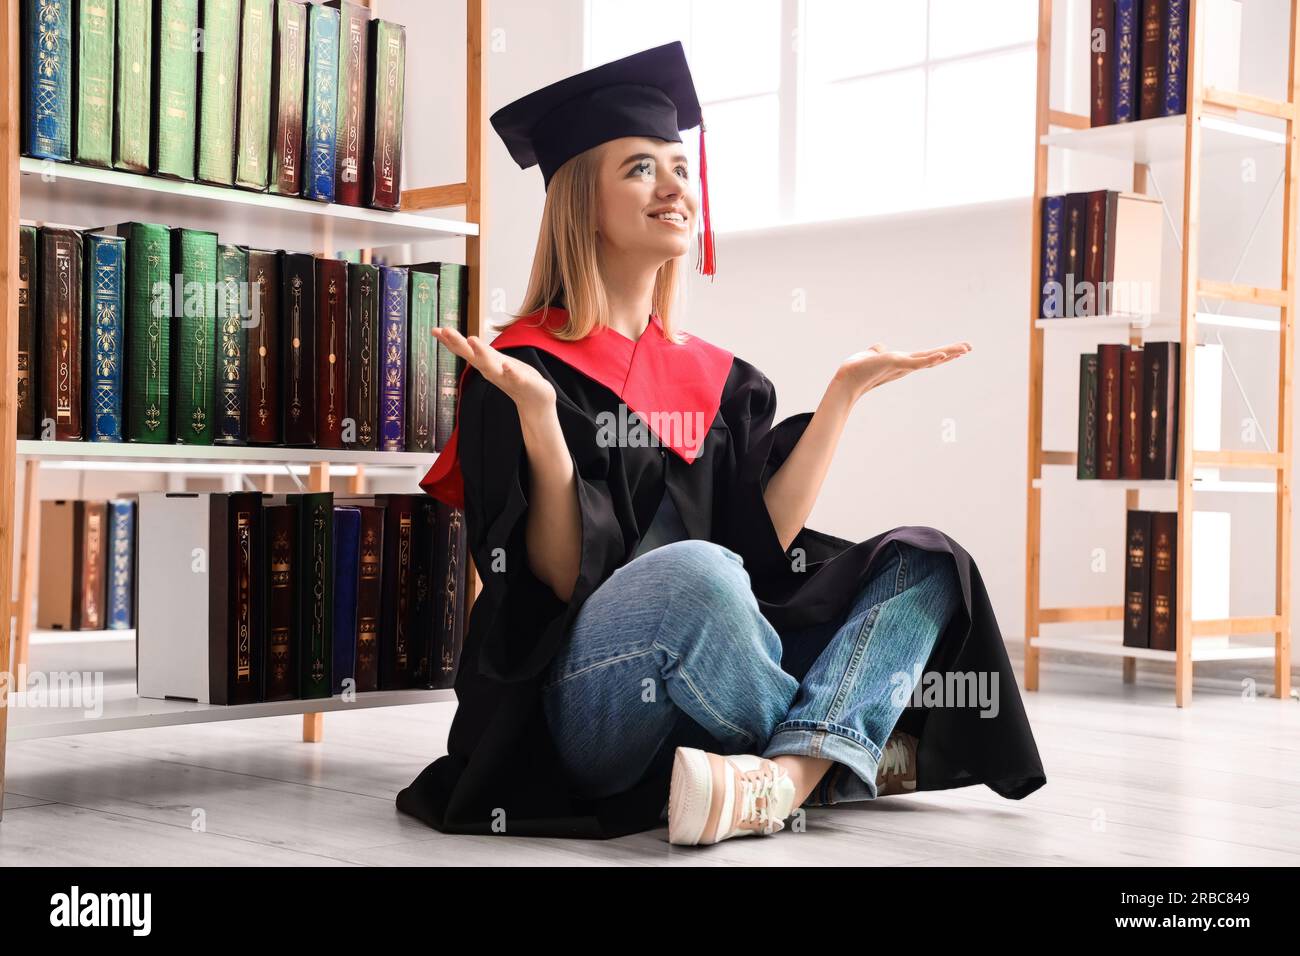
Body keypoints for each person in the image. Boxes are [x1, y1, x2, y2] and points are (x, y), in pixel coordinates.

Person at [398, 41, 1046, 845]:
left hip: (718, 681)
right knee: (701, 575)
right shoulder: (520, 370)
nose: (675, 186)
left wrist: (842, 396)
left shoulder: (718, 379)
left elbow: (761, 547)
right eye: (640, 168)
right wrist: (540, 420)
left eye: (679, 166)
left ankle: (776, 779)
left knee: (927, 560)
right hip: (590, 704)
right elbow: (561, 579)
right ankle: (837, 756)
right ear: (580, 202)